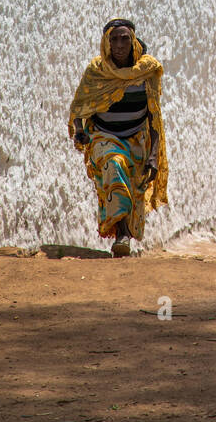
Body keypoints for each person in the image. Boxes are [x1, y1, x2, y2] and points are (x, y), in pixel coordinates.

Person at [69, 18, 168, 257]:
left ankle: (124, 234)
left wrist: (153, 156)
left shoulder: (147, 71)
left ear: (133, 41)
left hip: (137, 138)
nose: (120, 45)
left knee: (132, 188)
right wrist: (80, 130)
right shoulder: (97, 71)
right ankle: (122, 234)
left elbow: (154, 116)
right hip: (104, 135)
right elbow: (80, 107)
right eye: (114, 39)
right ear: (106, 43)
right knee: (114, 165)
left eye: (125, 39)